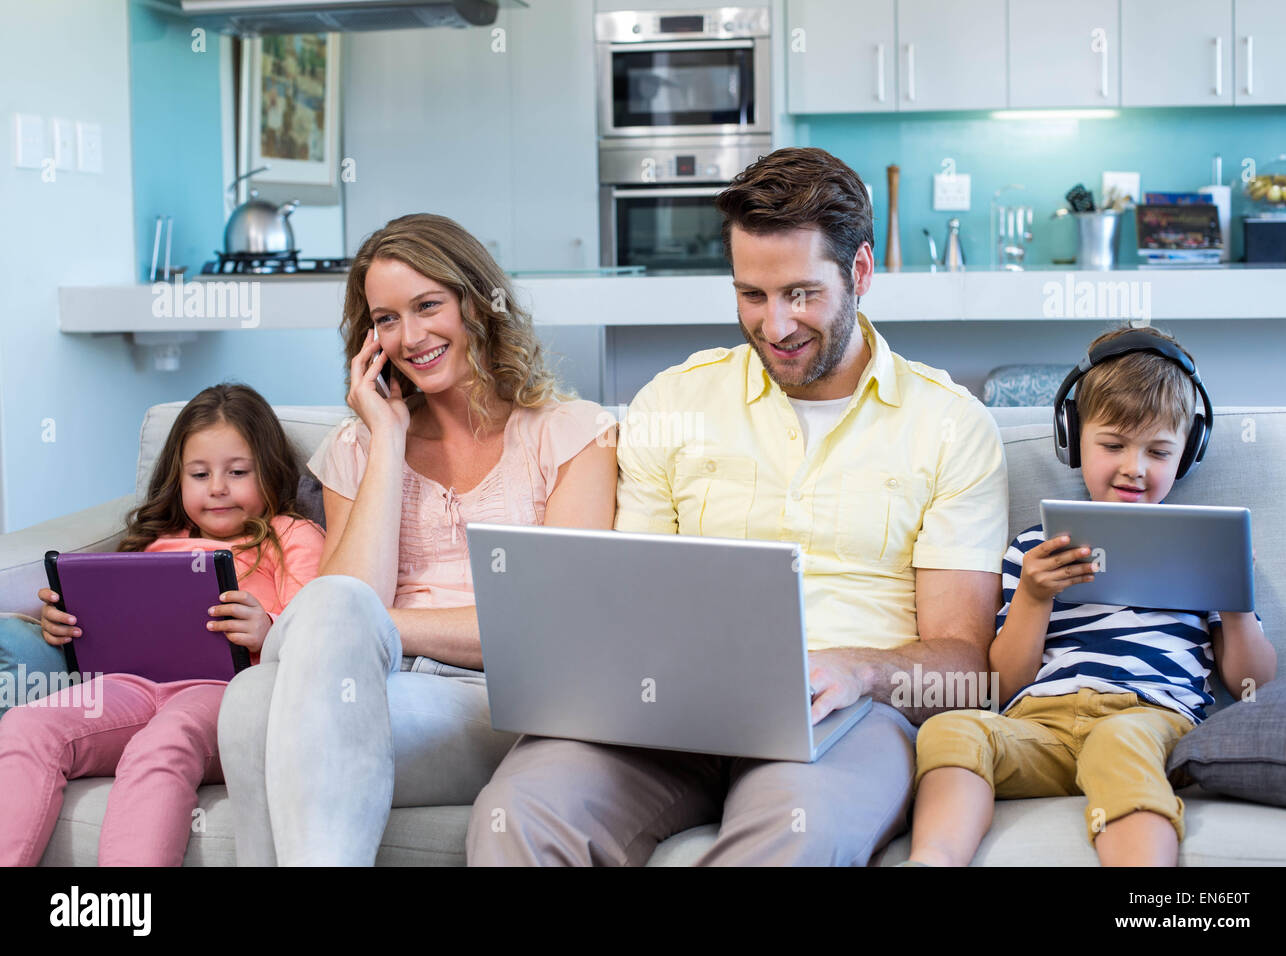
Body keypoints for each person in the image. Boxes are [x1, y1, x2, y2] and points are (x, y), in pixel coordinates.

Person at [467, 147, 1010, 867]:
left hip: (844, 714)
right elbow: (627, 594)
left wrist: (858, 670)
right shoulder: (674, 401)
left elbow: (964, 664)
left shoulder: (950, 425)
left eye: (801, 294)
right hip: (665, 710)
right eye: (752, 295)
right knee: (518, 815)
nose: (775, 326)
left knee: (798, 831)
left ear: (860, 272)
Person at [217, 213, 617, 866]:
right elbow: (348, 598)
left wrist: (377, 625)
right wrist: (388, 438)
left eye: (428, 306)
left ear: (477, 303)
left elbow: (547, 628)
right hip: (371, 682)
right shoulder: (358, 447)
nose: (410, 337)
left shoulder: (573, 434)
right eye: (386, 319)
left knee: (299, 655)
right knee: (247, 703)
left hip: (502, 701)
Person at [906, 327, 1277, 867]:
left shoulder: (1205, 548)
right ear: (1074, 437)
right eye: (1113, 445)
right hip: (1041, 726)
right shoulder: (1034, 548)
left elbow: (1252, 685)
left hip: (1148, 719)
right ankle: (933, 860)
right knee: (951, 728)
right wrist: (1034, 597)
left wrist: (1235, 601)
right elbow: (1003, 684)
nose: (1134, 467)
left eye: (1158, 451)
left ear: (1187, 454)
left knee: (1117, 741)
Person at [0, 384, 324, 866]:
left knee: (164, 740)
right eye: (200, 474)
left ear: (270, 470)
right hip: (130, 685)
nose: (217, 487)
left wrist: (269, 626)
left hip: (227, 694)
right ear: (179, 478)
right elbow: (108, 624)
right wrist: (61, 622)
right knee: (26, 724)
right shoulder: (153, 544)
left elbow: (320, 624)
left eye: (237, 472)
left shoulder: (293, 535)